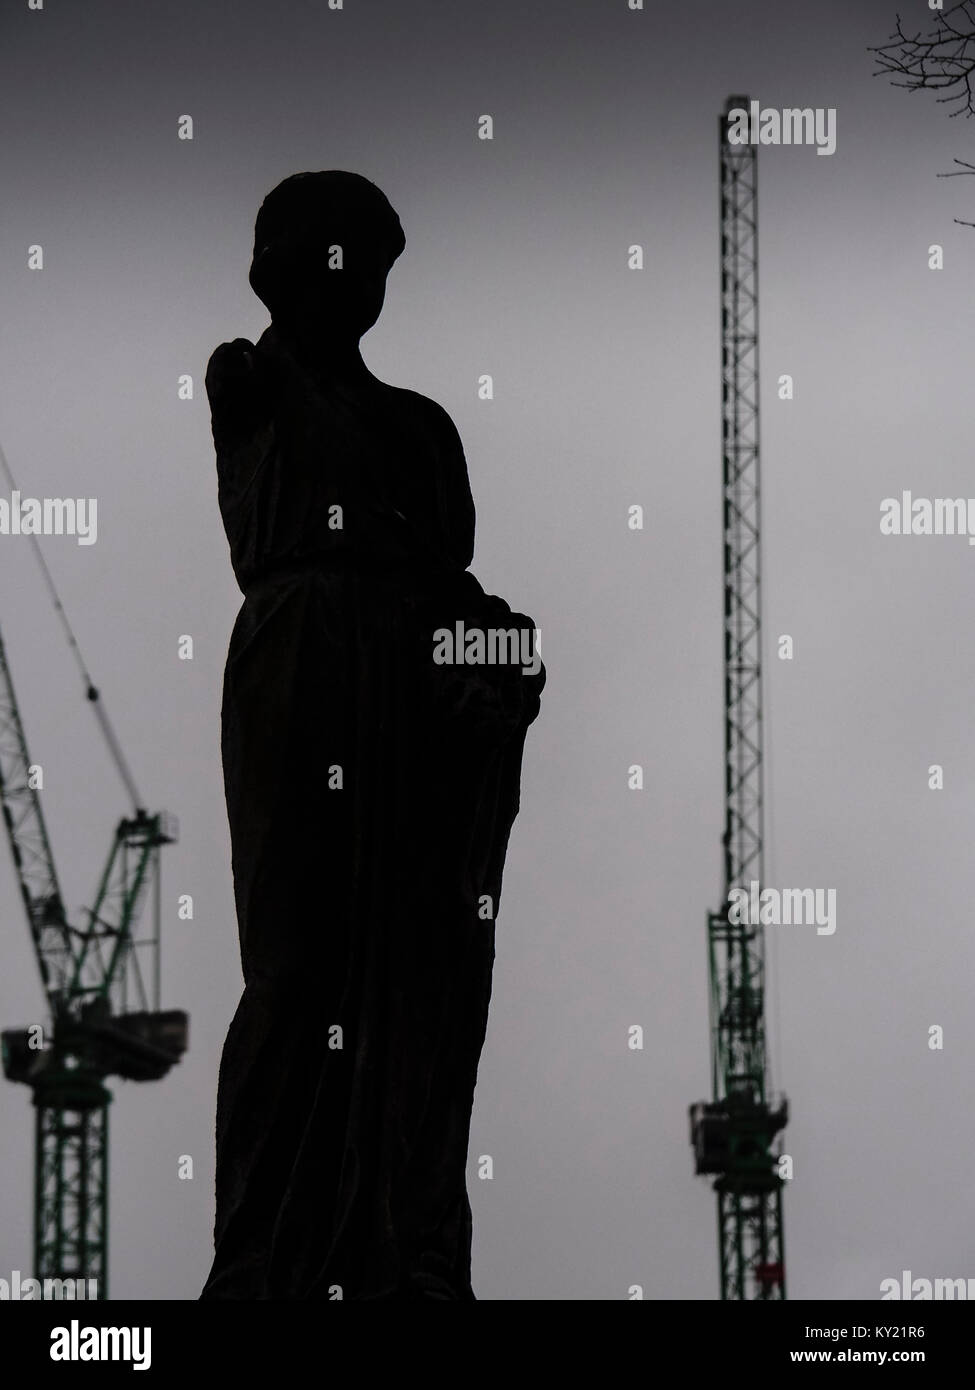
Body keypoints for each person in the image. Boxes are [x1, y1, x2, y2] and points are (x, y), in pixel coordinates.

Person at [200, 171, 544, 1300]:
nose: (361, 283)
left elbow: (456, 584)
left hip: (409, 694)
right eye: (341, 255)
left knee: (414, 983)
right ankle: (268, 1251)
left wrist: (497, 656)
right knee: (297, 966)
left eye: (377, 263)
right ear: (286, 266)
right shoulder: (255, 382)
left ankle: (397, 1237)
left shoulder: (419, 427)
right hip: (302, 672)